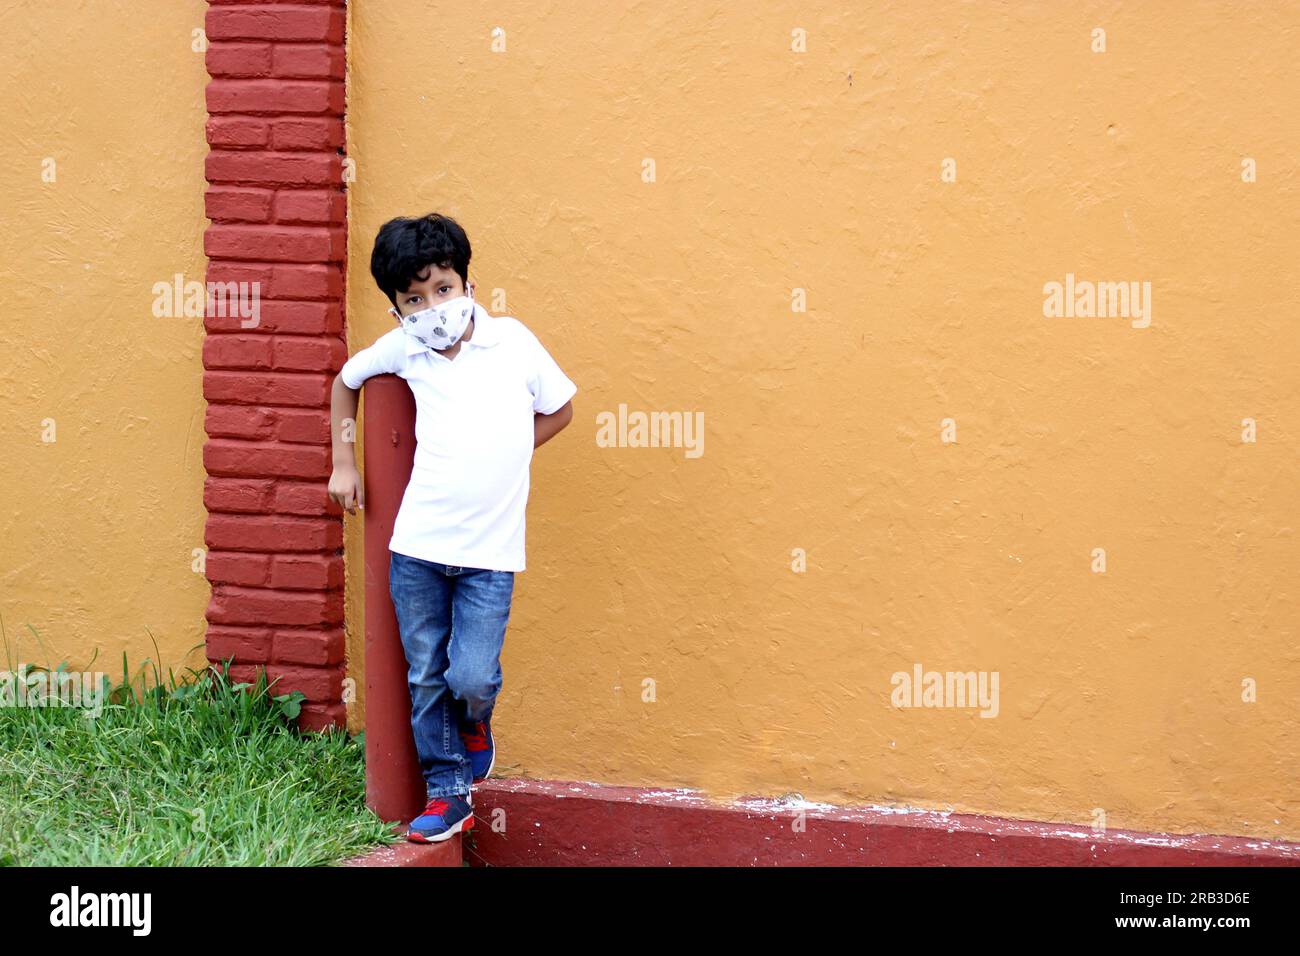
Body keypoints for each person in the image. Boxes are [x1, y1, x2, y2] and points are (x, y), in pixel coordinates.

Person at [328, 212, 577, 842]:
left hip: (489, 555)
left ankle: (477, 722)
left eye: (443, 289)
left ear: (468, 284)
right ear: (397, 311)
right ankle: (447, 792)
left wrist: (511, 452)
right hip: (416, 547)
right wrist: (344, 464)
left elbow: (560, 408)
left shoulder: (512, 341)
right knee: (425, 675)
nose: (432, 306)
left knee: (470, 675)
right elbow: (345, 382)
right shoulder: (404, 348)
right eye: (414, 299)